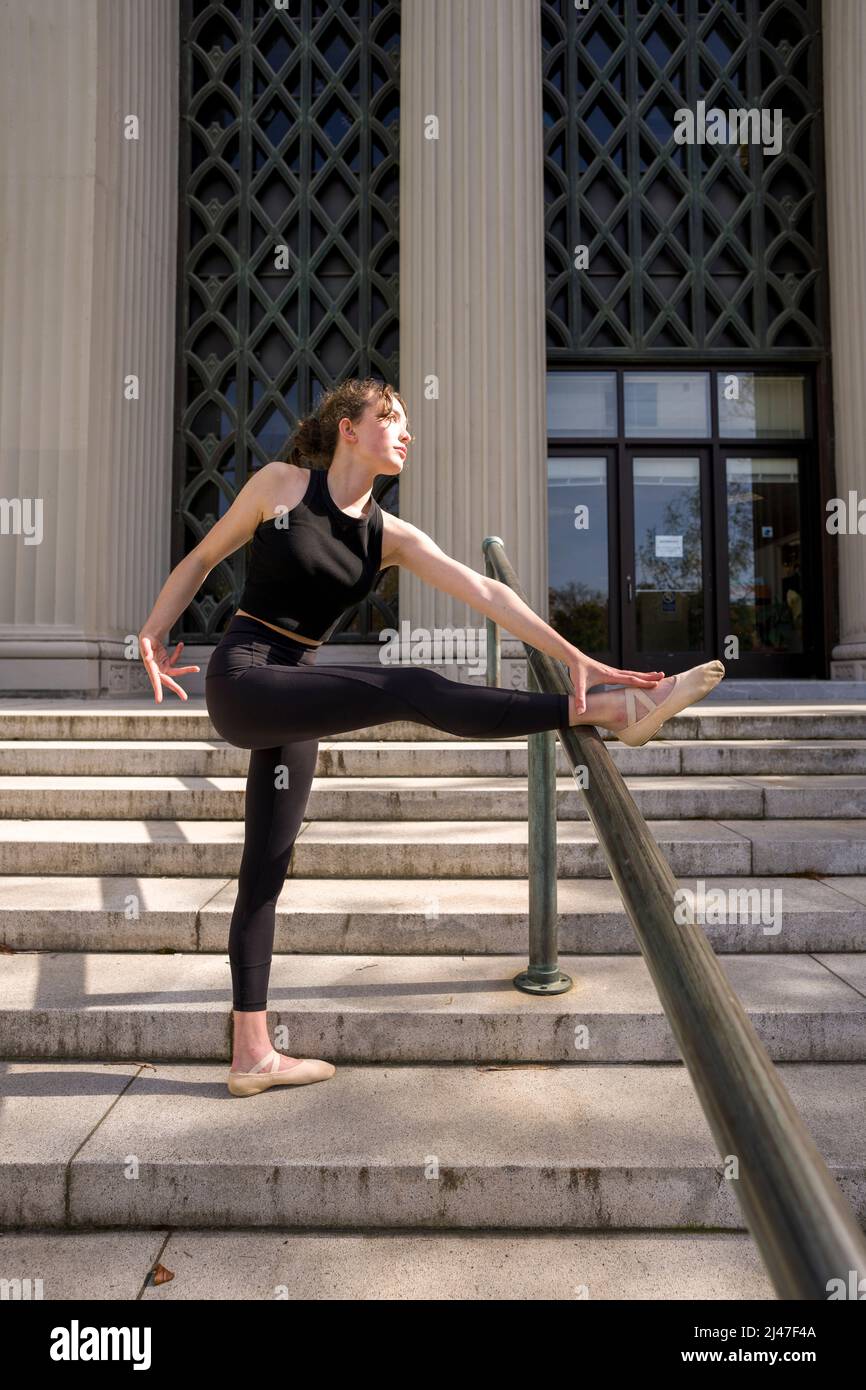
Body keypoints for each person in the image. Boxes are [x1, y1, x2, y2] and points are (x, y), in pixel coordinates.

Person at [138, 377, 724, 1097]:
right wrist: (153, 630)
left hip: (300, 691)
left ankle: (252, 1055)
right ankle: (604, 712)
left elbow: (489, 593)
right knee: (410, 685)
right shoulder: (281, 486)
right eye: (391, 419)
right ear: (349, 429)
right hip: (246, 677)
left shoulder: (390, 535)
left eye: (408, 422)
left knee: (266, 869)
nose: (406, 433)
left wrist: (571, 652)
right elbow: (203, 558)